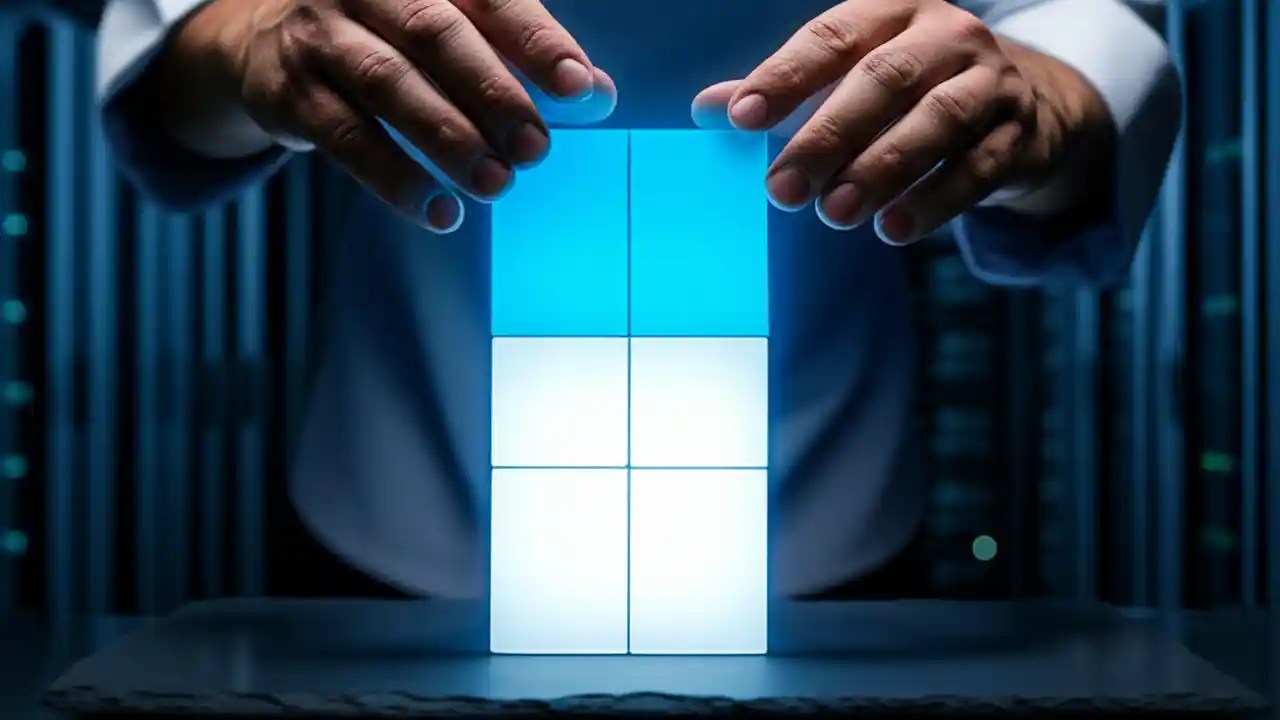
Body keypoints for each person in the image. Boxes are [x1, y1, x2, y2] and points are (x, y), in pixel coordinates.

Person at [96, 0, 1181, 600]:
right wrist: (249, 40)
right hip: (388, 516)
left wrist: (1045, 98)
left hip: (823, 533)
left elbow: (1077, 39)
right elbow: (175, 59)